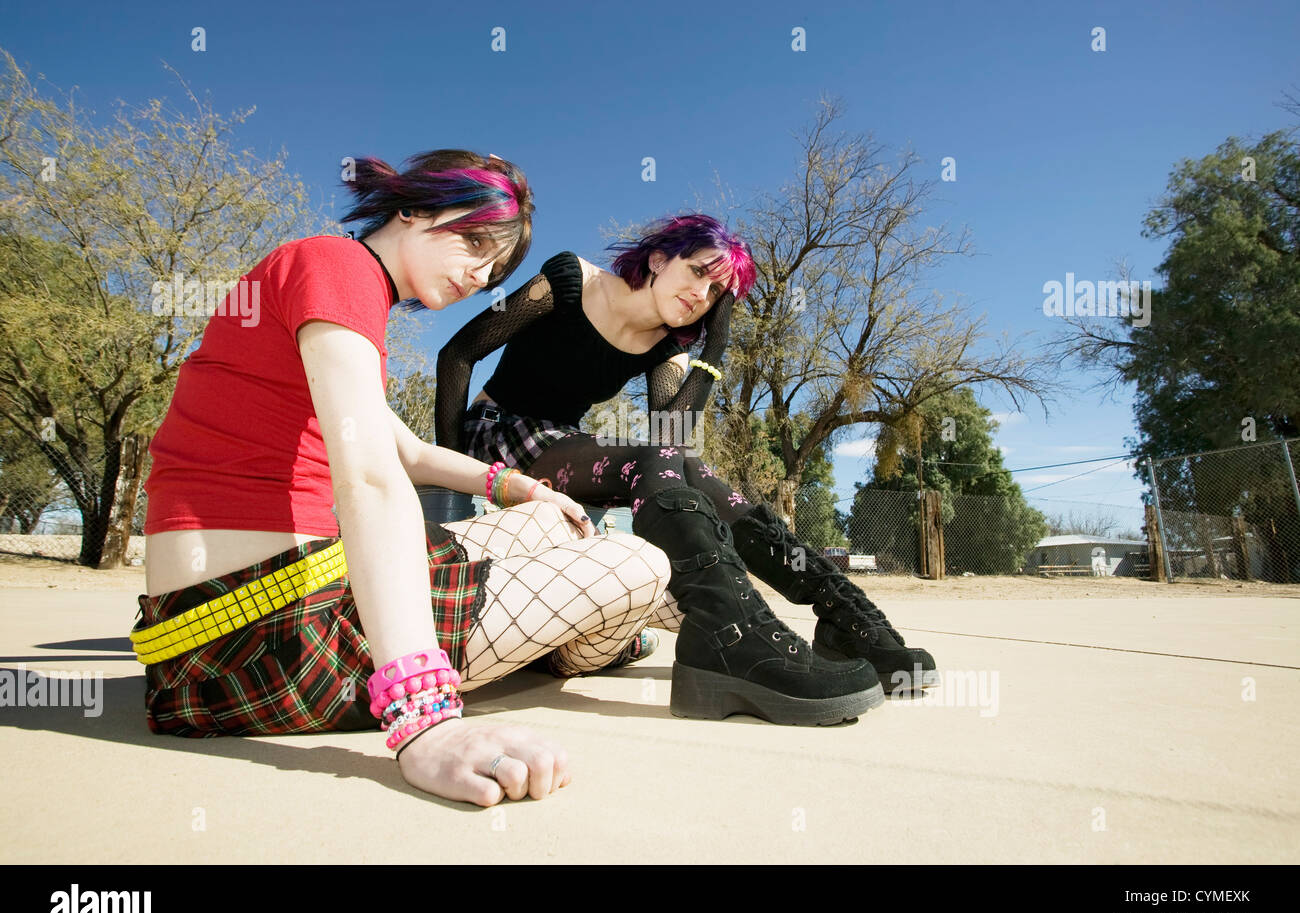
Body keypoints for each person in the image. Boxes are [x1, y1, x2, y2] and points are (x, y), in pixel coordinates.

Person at [132, 149, 673, 808]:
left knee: (546, 521)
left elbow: (409, 451)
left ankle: (570, 623)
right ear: (415, 207)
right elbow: (371, 477)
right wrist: (425, 720)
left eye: (496, 267)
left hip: (255, 611)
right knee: (638, 564)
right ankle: (582, 637)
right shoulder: (340, 267)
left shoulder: (330, 288)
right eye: (474, 240)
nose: (480, 273)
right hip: (263, 639)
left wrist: (525, 488)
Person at [436, 214, 941, 725]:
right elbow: (457, 353)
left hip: (562, 447)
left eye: (717, 292)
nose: (702, 294)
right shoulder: (570, 281)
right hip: (498, 431)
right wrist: (450, 478)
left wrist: (713, 347)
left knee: (682, 463)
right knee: (659, 460)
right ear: (659, 260)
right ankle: (733, 632)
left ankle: (838, 610)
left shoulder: (666, 343)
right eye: (699, 272)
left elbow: (670, 441)